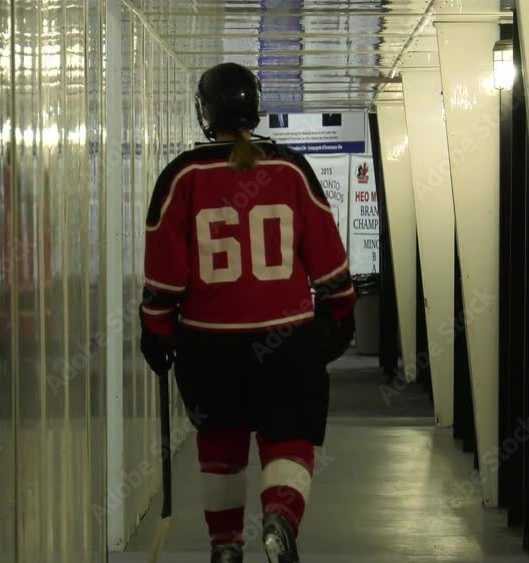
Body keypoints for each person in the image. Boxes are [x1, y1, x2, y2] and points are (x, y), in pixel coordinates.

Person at [139, 62, 356, 563]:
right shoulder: (291, 170)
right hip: (289, 339)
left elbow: (165, 277)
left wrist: (157, 331)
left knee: (221, 445)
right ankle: (279, 519)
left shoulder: (181, 176)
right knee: (289, 437)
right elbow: (328, 259)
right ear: (254, 110)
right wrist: (339, 313)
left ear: (205, 112)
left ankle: (226, 546)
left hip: (209, 344)